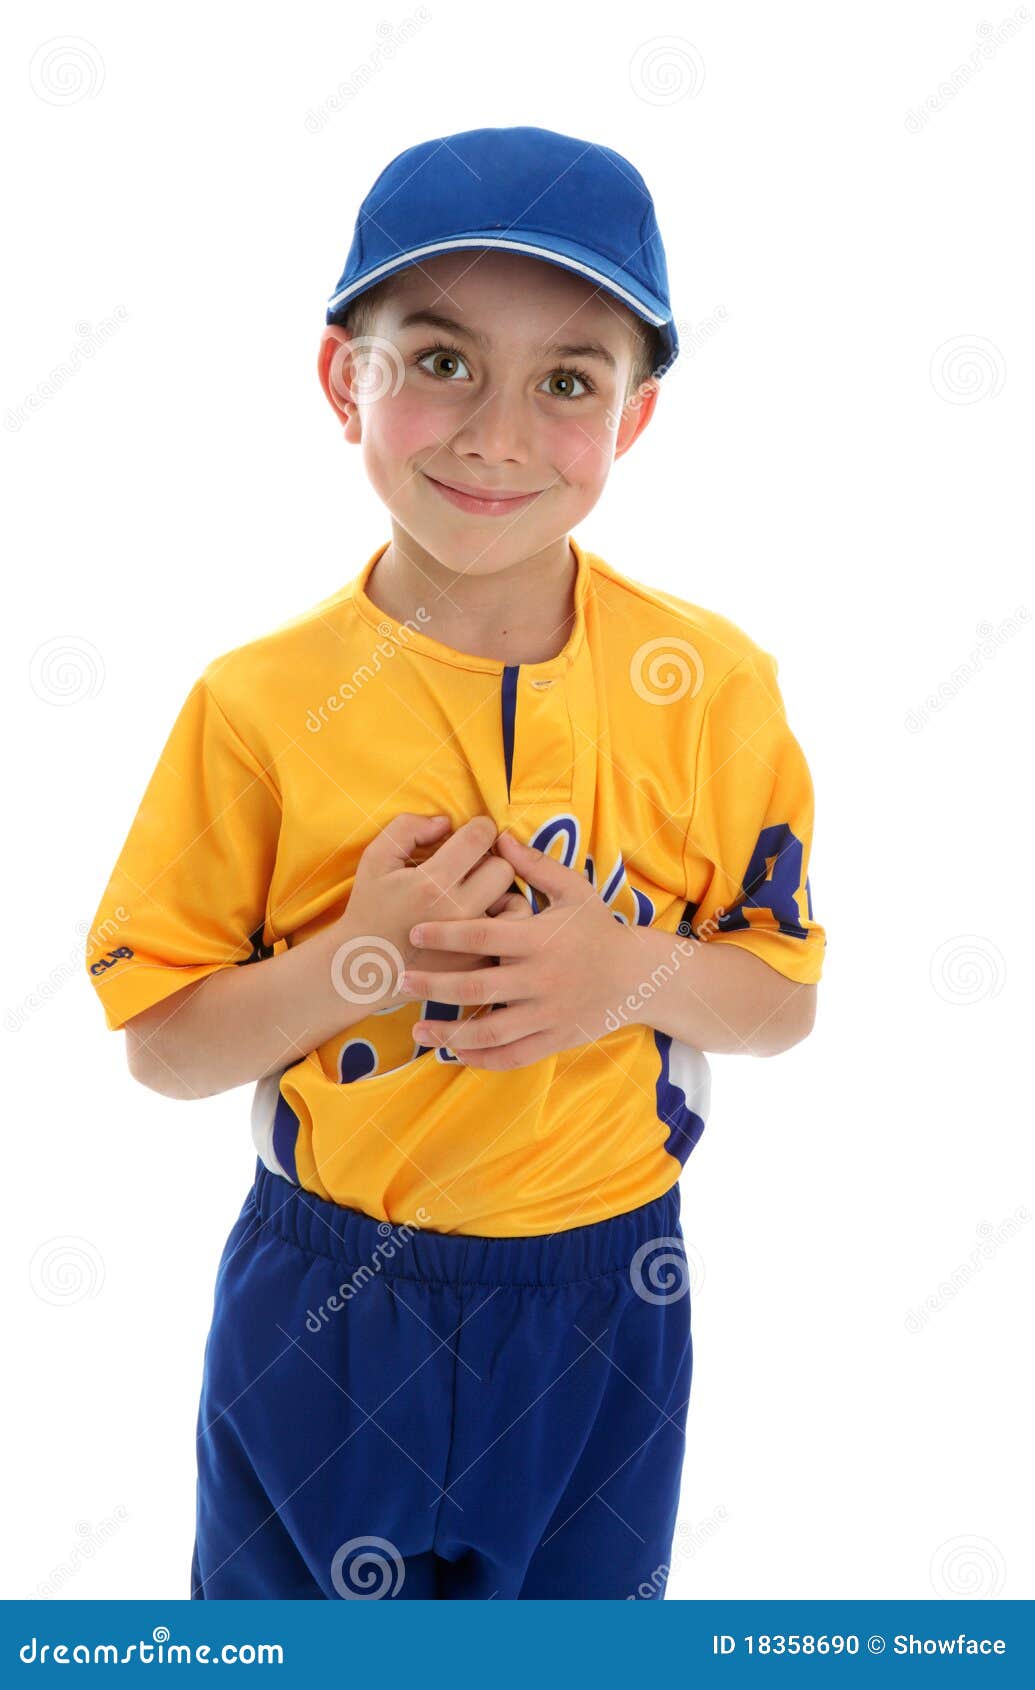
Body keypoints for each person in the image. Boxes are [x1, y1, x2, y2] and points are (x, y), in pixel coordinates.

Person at [85, 125, 826, 1600]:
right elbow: (162, 1046)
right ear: (340, 377)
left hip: (606, 1295)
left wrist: (630, 973)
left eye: (567, 380)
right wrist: (354, 957)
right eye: (437, 360)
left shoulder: (713, 683)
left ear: (633, 420)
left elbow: (781, 998)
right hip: (326, 1296)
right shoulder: (258, 705)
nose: (496, 430)